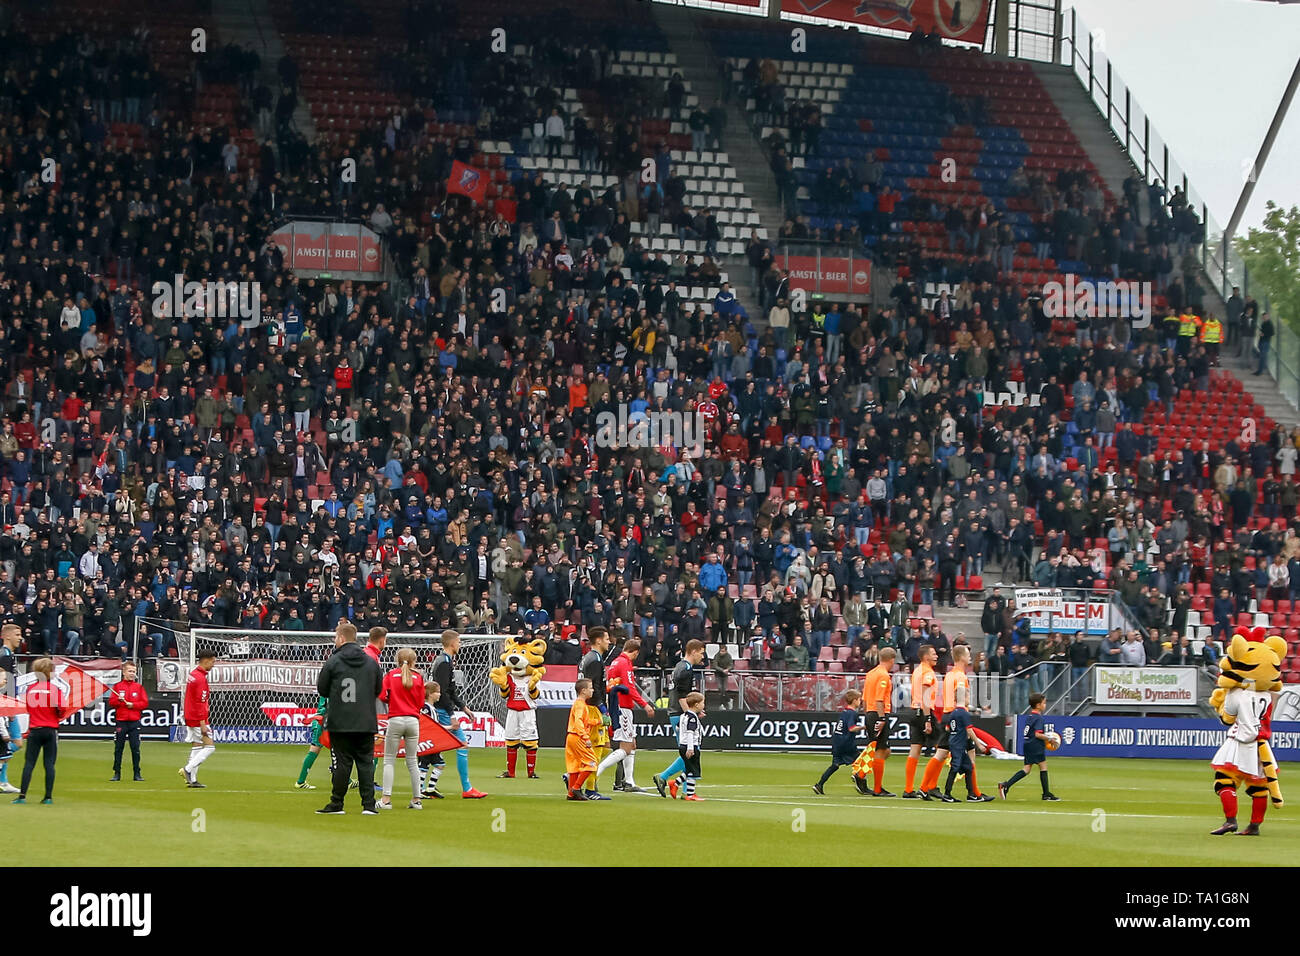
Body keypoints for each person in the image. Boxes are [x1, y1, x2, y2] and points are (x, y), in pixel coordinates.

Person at [315, 621, 384, 815]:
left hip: (340, 720)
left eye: (336, 637)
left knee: (342, 763)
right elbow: (379, 689)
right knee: (365, 763)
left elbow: (322, 689)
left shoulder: (333, 661)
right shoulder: (371, 662)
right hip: (365, 720)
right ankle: (369, 805)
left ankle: (336, 803)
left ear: (342, 638)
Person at [430, 629, 488, 799]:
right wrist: (452, 715)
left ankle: (427, 787)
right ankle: (466, 788)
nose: (460, 644)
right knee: (461, 744)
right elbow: (443, 693)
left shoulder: (446, 661)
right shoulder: (443, 663)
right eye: (459, 641)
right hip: (442, 711)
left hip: (444, 710)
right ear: (452, 643)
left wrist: (463, 707)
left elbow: (451, 690)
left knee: (435, 749)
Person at [597, 637, 655, 793]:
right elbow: (630, 688)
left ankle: (628, 782)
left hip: (617, 706)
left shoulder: (616, 662)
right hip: (623, 708)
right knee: (626, 747)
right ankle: (596, 771)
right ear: (635, 652)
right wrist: (645, 704)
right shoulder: (624, 663)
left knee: (631, 744)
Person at [652, 639, 705, 797]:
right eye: (701, 653)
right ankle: (665, 778)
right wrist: (690, 714)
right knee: (689, 751)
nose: (703, 657)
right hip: (679, 713)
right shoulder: (685, 669)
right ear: (693, 651)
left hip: (677, 713)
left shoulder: (680, 667)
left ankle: (680, 787)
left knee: (689, 751)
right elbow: (682, 696)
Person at [12, 657, 68, 805]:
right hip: (50, 730)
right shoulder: (55, 690)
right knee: (49, 764)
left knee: (29, 763)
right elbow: (62, 710)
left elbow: (29, 709)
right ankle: (48, 797)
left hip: (35, 729)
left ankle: (22, 796)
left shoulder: (31, 689)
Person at [378, 647, 425, 810]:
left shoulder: (391, 675)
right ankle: (417, 799)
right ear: (414, 661)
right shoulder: (419, 677)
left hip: (395, 718)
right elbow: (420, 703)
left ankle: (385, 799)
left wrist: (393, 700)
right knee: (412, 761)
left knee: (389, 760)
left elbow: (382, 695)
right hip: (413, 720)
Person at [852, 646, 897, 796]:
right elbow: (879, 699)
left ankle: (861, 774)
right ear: (892, 660)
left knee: (882, 750)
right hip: (879, 713)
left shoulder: (871, 673)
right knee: (880, 750)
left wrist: (868, 715)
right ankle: (876, 788)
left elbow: (864, 698)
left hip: (870, 713)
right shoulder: (883, 676)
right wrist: (882, 718)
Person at [998, 692, 1059, 801]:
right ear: (1038, 705)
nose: (1045, 705)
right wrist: (1050, 739)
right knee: (1043, 766)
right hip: (1035, 745)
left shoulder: (1030, 716)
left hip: (1028, 744)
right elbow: (1037, 734)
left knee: (1027, 768)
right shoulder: (1038, 718)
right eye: (1044, 703)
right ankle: (1046, 794)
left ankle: (1006, 785)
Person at [901, 644, 939, 798]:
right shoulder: (927, 672)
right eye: (933, 653)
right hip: (924, 712)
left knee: (915, 750)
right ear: (925, 656)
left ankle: (908, 789)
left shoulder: (917, 670)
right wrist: (928, 719)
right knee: (943, 749)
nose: (936, 656)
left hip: (913, 710)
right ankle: (929, 786)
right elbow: (925, 696)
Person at [579, 627, 612, 796]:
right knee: (596, 749)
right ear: (598, 640)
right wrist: (602, 707)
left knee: (606, 747)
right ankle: (589, 788)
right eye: (606, 639)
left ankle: (580, 778)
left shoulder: (591, 658)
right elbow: (592, 687)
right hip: (593, 709)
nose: (609, 641)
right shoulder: (594, 660)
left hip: (594, 706)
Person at [179, 648, 218, 789]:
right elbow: (200, 702)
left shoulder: (193, 674)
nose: (213, 664)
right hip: (198, 718)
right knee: (210, 747)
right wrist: (203, 723)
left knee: (197, 746)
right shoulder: (200, 679)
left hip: (190, 715)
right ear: (206, 661)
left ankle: (193, 780)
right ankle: (187, 770)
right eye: (213, 662)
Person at [813, 689, 862, 794]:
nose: (860, 701)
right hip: (846, 743)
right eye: (859, 699)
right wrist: (864, 727)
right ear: (854, 700)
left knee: (835, 765)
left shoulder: (845, 711)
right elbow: (851, 728)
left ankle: (819, 785)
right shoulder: (852, 713)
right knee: (861, 761)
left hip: (837, 742)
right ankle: (861, 784)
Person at [563, 678, 605, 800]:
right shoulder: (581, 705)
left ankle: (571, 794)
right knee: (592, 763)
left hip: (571, 737)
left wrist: (598, 721)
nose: (592, 690)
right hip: (578, 737)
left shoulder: (579, 704)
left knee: (575, 766)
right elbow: (579, 722)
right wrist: (585, 737)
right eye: (590, 687)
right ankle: (576, 788)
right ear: (583, 690)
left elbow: (584, 721)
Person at [108, 660, 148, 782]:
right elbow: (111, 703)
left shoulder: (139, 687)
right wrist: (119, 701)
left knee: (135, 748)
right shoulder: (117, 687)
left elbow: (144, 703)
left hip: (134, 722)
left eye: (134, 671)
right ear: (124, 672)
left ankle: (137, 773)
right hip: (121, 721)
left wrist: (133, 705)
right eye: (130, 671)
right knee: (118, 748)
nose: (132, 673)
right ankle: (117, 773)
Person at [0, 624, 23, 793]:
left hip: (9, 704)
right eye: (17, 634)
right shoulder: (4, 655)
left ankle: (3, 780)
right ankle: (3, 781)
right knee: (13, 742)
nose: (20, 637)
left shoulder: (9, 654)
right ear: (7, 636)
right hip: (6, 707)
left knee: (16, 742)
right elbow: (4, 683)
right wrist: (9, 709)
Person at [675, 692, 707, 801]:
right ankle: (690, 794)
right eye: (703, 703)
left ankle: (675, 784)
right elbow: (690, 732)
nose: (704, 705)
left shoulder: (683, 716)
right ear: (697, 704)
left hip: (682, 746)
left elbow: (678, 728)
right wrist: (690, 747)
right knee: (693, 771)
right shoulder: (692, 718)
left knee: (689, 769)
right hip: (690, 746)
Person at [419, 683, 447, 799]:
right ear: (430, 694)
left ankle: (430, 788)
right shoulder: (425, 708)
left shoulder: (433, 708)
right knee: (423, 766)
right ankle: (419, 790)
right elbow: (427, 725)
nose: (439, 694)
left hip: (434, 742)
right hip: (427, 742)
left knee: (440, 764)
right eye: (437, 692)